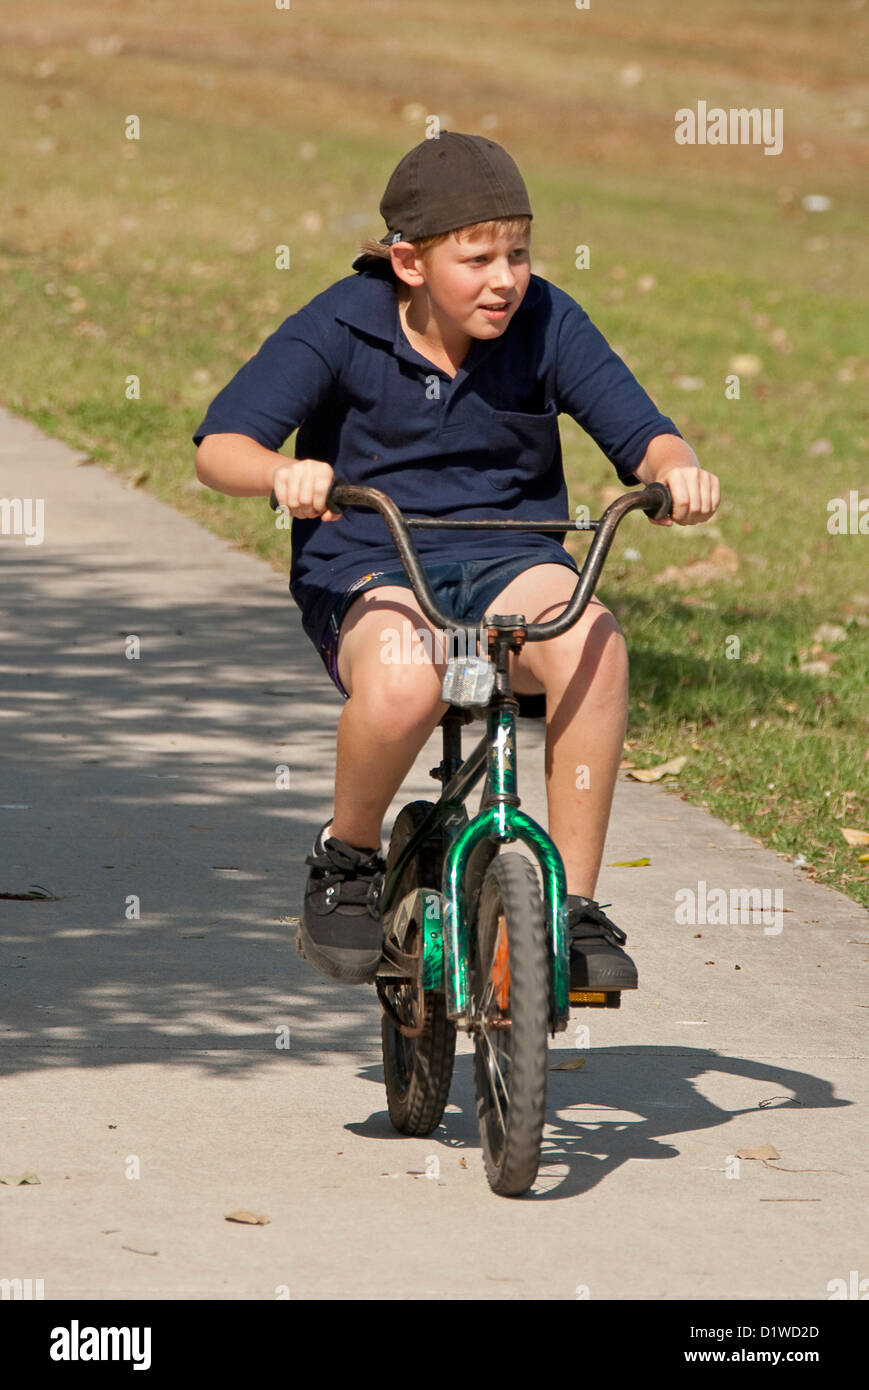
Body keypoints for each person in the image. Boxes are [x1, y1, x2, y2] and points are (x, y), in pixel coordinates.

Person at [193, 131, 720, 991]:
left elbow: (641, 432)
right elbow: (220, 447)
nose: (504, 278)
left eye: (517, 252)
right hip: (373, 554)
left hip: (506, 551)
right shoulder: (339, 323)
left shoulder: (545, 317)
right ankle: (350, 858)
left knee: (593, 639)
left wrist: (675, 470)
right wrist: (281, 472)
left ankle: (572, 911)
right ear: (408, 261)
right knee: (408, 679)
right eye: (476, 258)